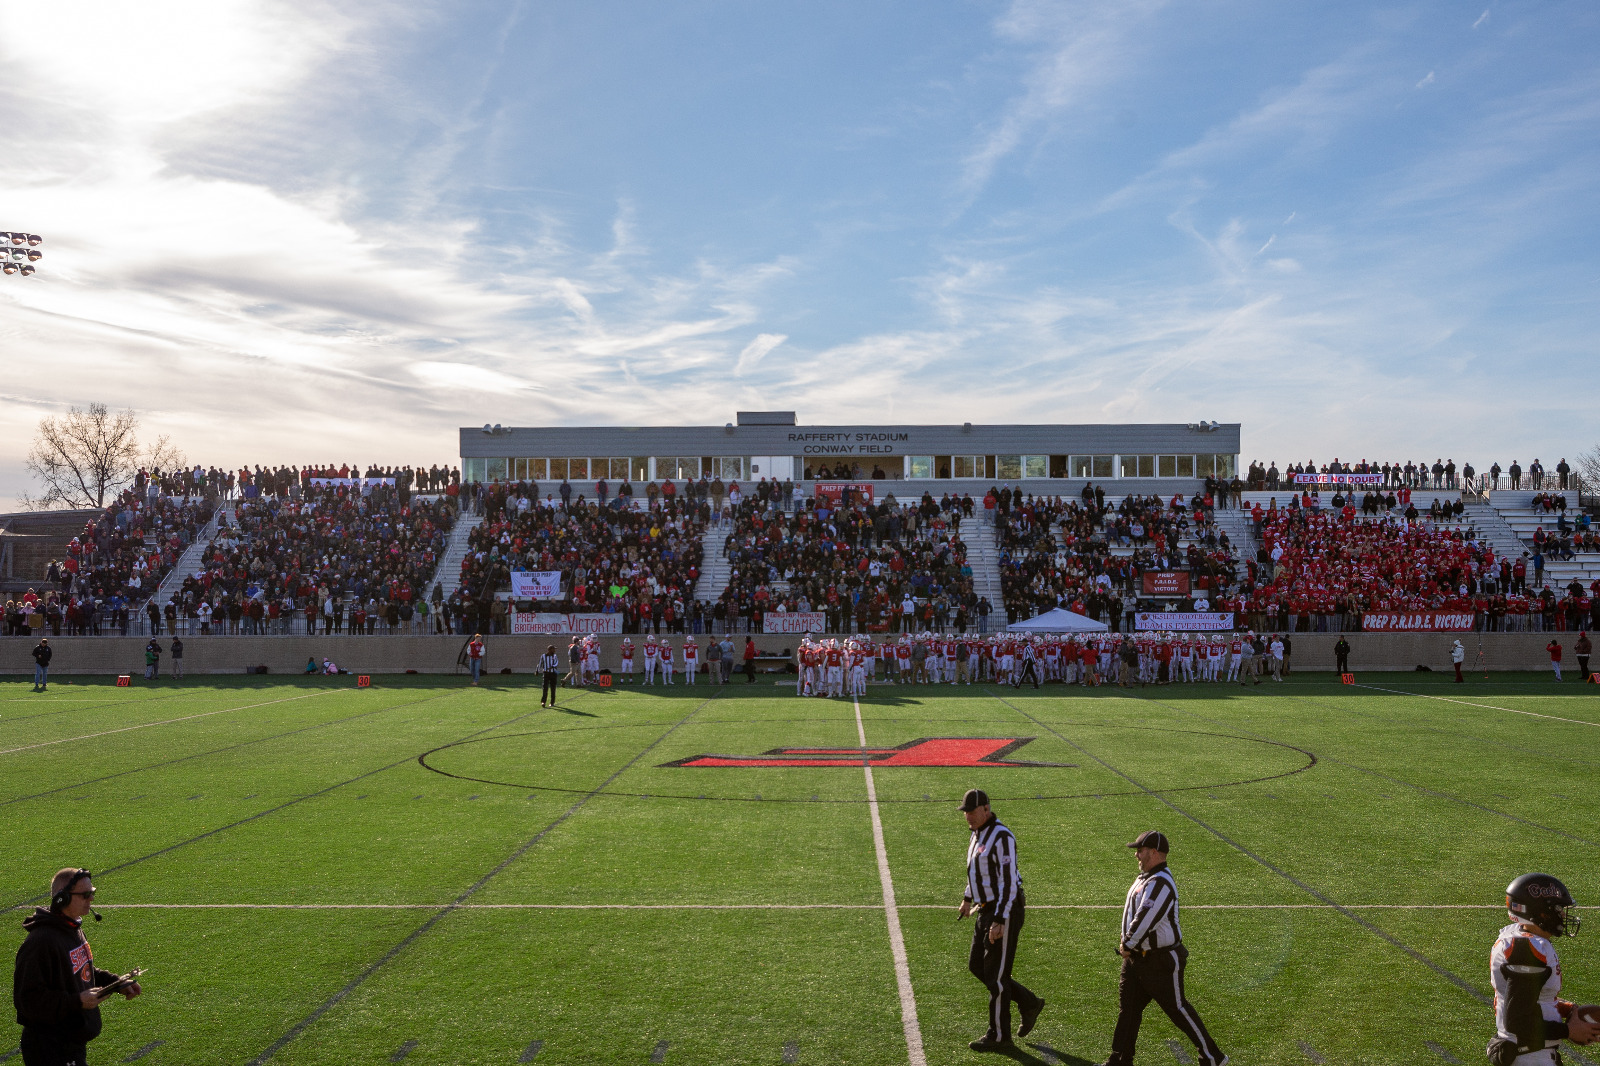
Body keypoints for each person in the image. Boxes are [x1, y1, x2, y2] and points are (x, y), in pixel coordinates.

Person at [1101, 831, 1225, 1066]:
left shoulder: (1161, 883)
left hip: (1160, 961)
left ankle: (1213, 1057)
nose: (1136, 855)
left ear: (1154, 852)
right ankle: (1120, 1060)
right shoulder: (1146, 878)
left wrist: (1127, 944)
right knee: (1128, 1011)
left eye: (1140, 850)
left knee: (1178, 1010)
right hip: (1137, 960)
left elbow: (1146, 918)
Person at [12, 868, 142, 1066]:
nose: (91, 899)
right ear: (62, 899)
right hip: (50, 1048)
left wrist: (117, 983)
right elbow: (27, 1001)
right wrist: (77, 1001)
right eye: (85, 894)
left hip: (71, 1042)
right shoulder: (41, 942)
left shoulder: (72, 928)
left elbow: (83, 972)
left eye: (92, 892)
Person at [956, 789, 1044, 1053]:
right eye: (965, 812)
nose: (968, 816)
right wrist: (967, 898)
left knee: (996, 976)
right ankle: (1029, 1002)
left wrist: (1000, 920)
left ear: (986, 809)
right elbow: (977, 872)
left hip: (1004, 910)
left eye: (972, 811)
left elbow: (1008, 884)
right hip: (985, 909)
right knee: (977, 966)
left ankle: (999, 1035)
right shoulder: (977, 834)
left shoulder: (1002, 836)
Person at [1488, 873, 1596, 1065]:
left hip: (1529, 1054)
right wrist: (1569, 1031)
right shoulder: (1528, 950)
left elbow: (1524, 999)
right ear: (1541, 913)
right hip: (1530, 1056)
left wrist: (1562, 1007)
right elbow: (1518, 1021)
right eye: (1558, 909)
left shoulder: (1519, 937)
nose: (1563, 915)